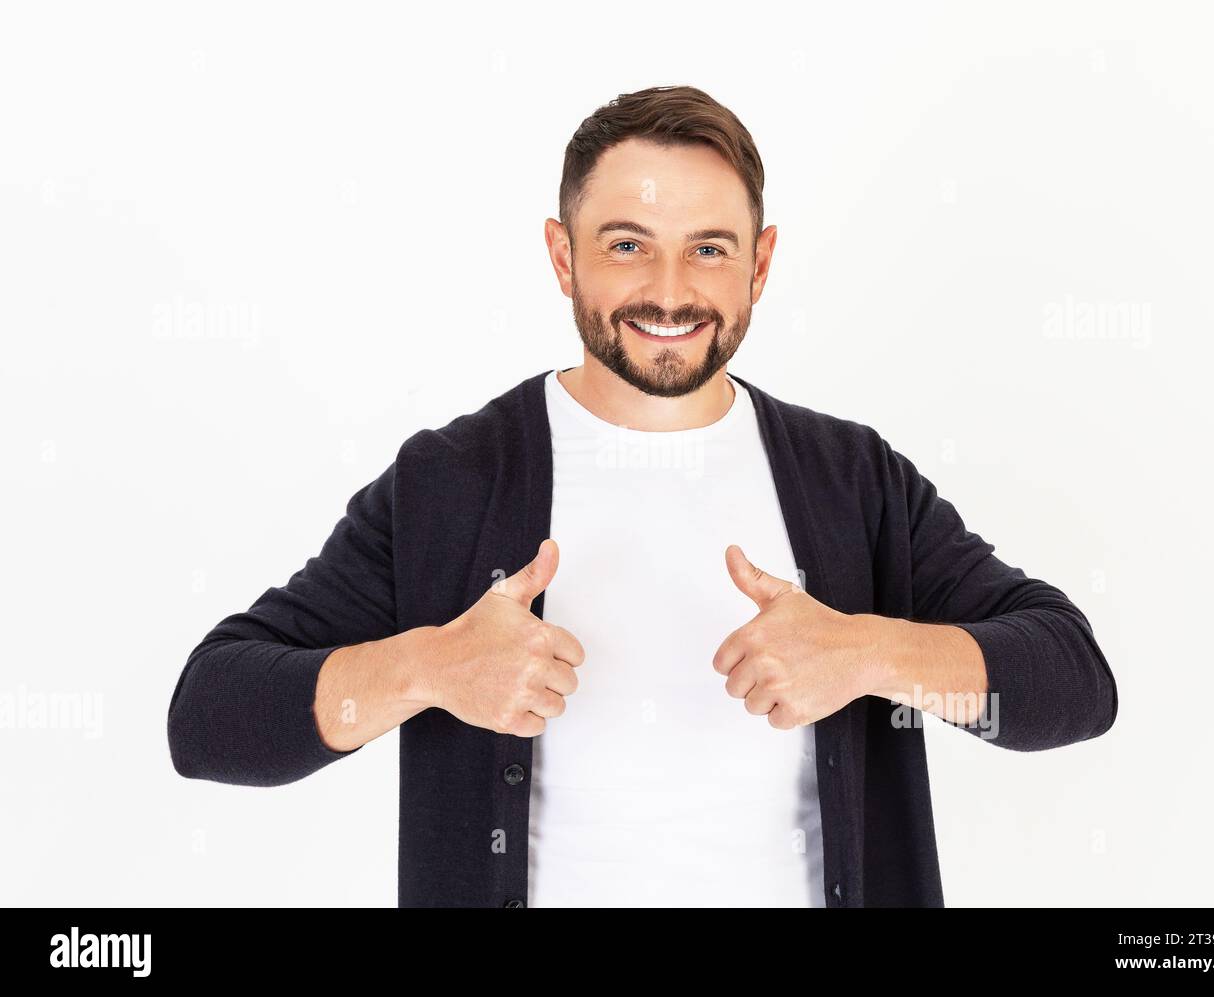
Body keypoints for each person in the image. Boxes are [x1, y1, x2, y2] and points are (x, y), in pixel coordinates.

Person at [167, 85, 1118, 908]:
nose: (671, 291)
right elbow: (210, 717)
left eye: (710, 249)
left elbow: (1074, 686)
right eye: (628, 244)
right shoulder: (452, 482)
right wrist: (428, 669)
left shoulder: (852, 477)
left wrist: (869, 652)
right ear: (562, 254)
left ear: (762, 261)